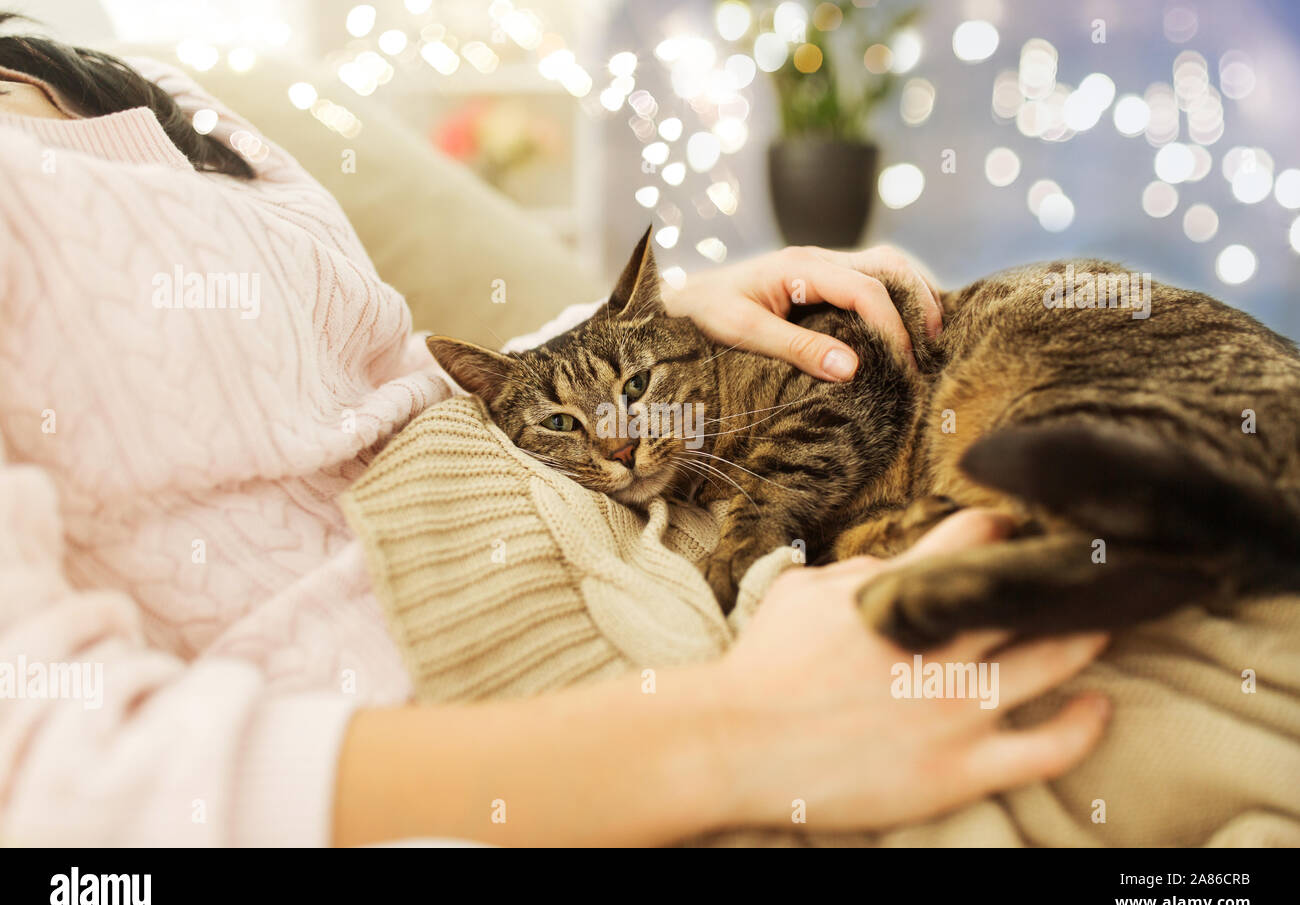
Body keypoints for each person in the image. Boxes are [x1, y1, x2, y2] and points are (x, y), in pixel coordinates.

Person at [0, 18, 1111, 847]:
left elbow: (376, 399)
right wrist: (738, 733)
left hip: (630, 564)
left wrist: (671, 321)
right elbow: (53, 791)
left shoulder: (137, 85)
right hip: (557, 728)